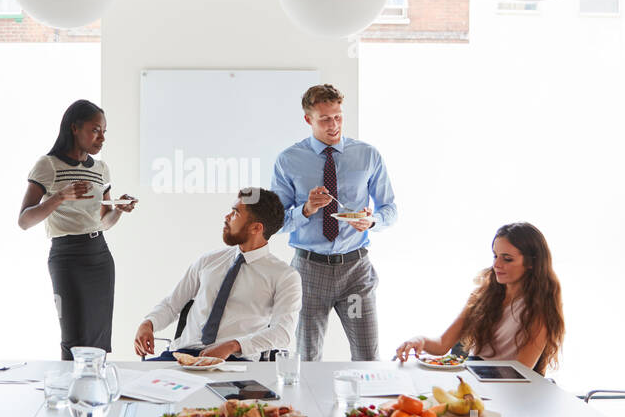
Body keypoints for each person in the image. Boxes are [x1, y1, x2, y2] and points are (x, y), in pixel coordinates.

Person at [271, 83, 397, 361]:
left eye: (338, 116)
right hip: (308, 271)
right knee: (307, 357)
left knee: (367, 357)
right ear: (308, 119)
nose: (334, 125)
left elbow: (390, 209)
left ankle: (363, 405)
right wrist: (306, 209)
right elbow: (276, 222)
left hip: (356, 270)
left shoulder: (367, 155)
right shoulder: (288, 160)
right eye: (325, 118)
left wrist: (372, 221)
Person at [19, 100, 136, 359]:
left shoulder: (101, 170)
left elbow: (103, 221)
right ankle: (71, 397)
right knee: (73, 338)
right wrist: (60, 196)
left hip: (99, 254)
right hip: (67, 255)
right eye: (95, 130)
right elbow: (24, 220)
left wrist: (119, 209)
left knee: (99, 339)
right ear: (75, 128)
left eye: (104, 131)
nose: (101, 137)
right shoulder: (47, 165)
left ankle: (97, 395)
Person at [134, 188, 301, 362]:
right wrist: (149, 323)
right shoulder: (208, 261)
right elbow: (172, 304)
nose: (227, 217)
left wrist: (232, 346)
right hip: (183, 357)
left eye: (235, 213)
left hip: (235, 362)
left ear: (256, 228)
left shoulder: (285, 276)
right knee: (132, 385)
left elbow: (282, 333)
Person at [394, 221, 564, 374]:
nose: (497, 264)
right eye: (495, 256)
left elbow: (520, 371)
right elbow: (442, 344)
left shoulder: (540, 308)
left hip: (505, 388)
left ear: (531, 263)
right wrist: (419, 340)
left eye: (507, 259)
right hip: (475, 377)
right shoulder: (482, 295)